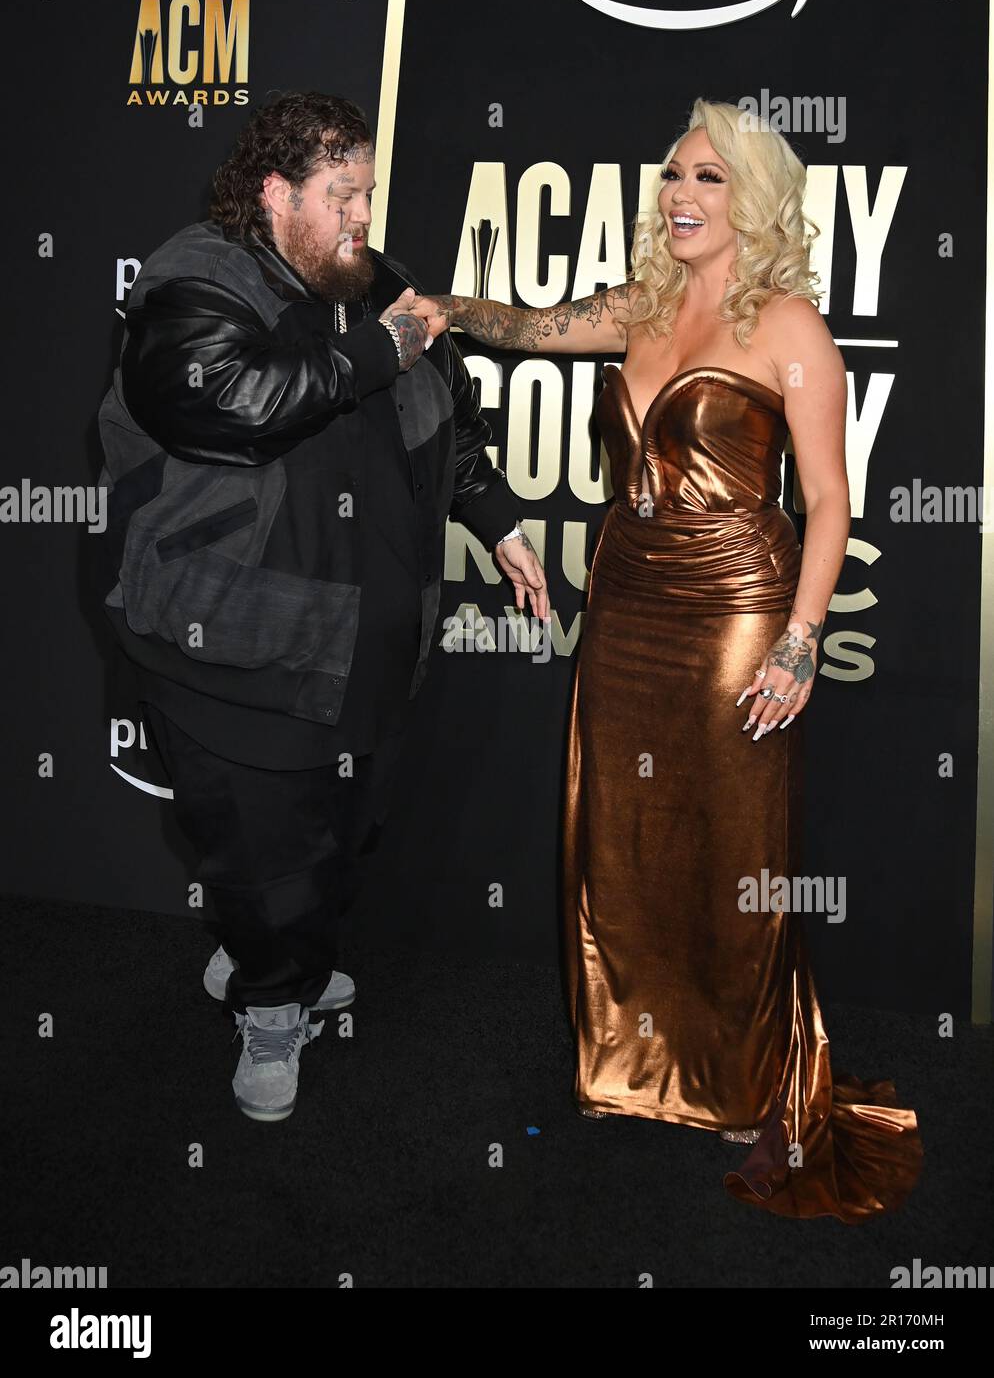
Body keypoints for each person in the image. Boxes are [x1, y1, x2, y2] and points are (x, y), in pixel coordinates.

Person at [414, 98, 923, 1222]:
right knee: (622, 837)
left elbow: (830, 503)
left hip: (738, 605)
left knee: (733, 850)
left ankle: (741, 1081)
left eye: (709, 179)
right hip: (629, 602)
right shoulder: (642, 304)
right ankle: (636, 1066)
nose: (682, 196)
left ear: (756, 201)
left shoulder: (789, 326)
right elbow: (530, 328)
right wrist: (442, 305)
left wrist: (797, 641)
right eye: (674, 177)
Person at [96, 91, 548, 1123]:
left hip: (365, 649)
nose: (360, 216)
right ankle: (268, 999)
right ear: (275, 193)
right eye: (340, 194)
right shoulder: (194, 280)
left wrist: (499, 519)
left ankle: (279, 954)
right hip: (234, 652)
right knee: (263, 850)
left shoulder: (374, 282)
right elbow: (229, 401)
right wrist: (378, 350)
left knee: (337, 838)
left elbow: (452, 421)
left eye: (368, 194)